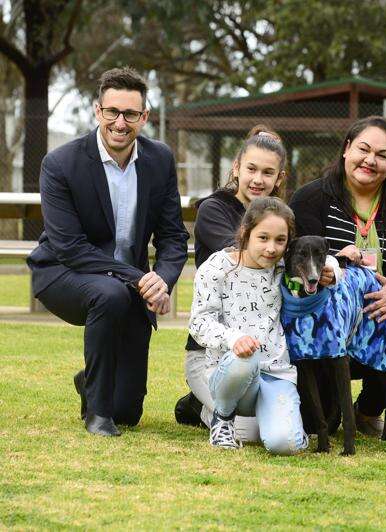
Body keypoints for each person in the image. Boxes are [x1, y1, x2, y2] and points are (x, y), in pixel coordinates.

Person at [27, 67, 189, 436]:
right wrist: (140, 279)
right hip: (62, 272)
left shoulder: (160, 159)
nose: (120, 123)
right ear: (97, 111)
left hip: (129, 284)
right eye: (112, 111)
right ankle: (97, 415)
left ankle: (91, 382)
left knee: (128, 411)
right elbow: (70, 247)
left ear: (144, 117)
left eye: (130, 114)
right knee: (109, 293)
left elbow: (173, 236)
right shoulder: (60, 163)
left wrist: (162, 280)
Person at [289, 116, 386, 437]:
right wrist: (332, 266)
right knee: (321, 426)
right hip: (321, 325)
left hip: (376, 322)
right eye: (363, 149)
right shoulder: (310, 199)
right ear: (346, 149)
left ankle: (368, 410)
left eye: (382, 155)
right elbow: (296, 260)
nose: (370, 160)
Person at [174, 125, 286, 442]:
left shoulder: (280, 215)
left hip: (266, 355)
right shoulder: (213, 209)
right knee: (248, 433)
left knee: (282, 427)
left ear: (279, 178)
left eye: (268, 172)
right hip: (212, 353)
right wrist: (282, 249)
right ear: (236, 167)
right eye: (251, 169)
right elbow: (245, 254)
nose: (258, 179)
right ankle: (198, 405)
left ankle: (219, 403)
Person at [189, 196, 307, 454]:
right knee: (245, 357)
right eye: (263, 238)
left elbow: (318, 258)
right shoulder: (217, 267)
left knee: (284, 445)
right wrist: (234, 339)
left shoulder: (284, 268)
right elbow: (199, 322)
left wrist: (333, 266)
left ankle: (291, 426)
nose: (271, 248)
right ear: (245, 233)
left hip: (275, 372)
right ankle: (222, 417)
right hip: (231, 371)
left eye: (280, 240)